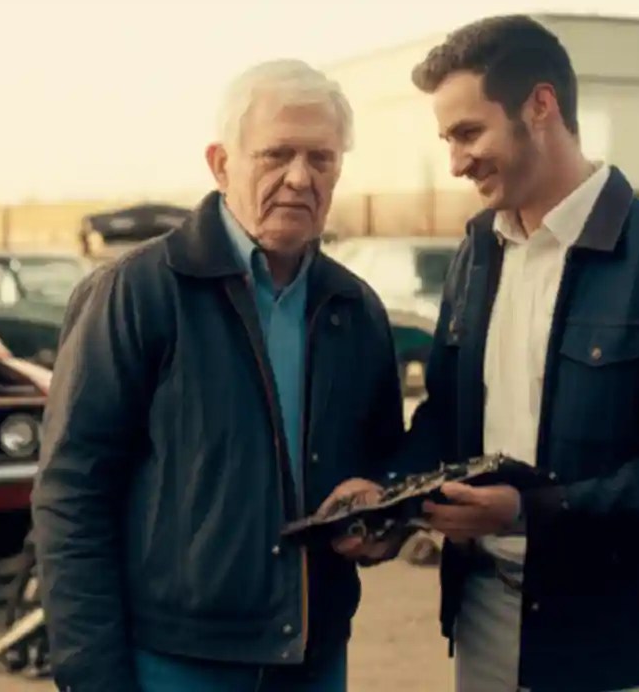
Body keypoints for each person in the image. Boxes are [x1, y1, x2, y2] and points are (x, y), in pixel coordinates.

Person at [334, 15, 639, 691]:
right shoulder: (476, 251)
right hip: (483, 622)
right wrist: (387, 501)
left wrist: (530, 511)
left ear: (541, 106)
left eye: (469, 132)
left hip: (617, 642)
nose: (455, 161)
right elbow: (446, 420)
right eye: (447, 138)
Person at [31, 58, 405, 692]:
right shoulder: (139, 292)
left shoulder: (355, 309)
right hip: (174, 665)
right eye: (276, 154)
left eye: (321, 158)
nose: (299, 177)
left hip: (314, 660)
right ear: (221, 162)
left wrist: (382, 519)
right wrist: (94, 676)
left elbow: (384, 465)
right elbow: (72, 495)